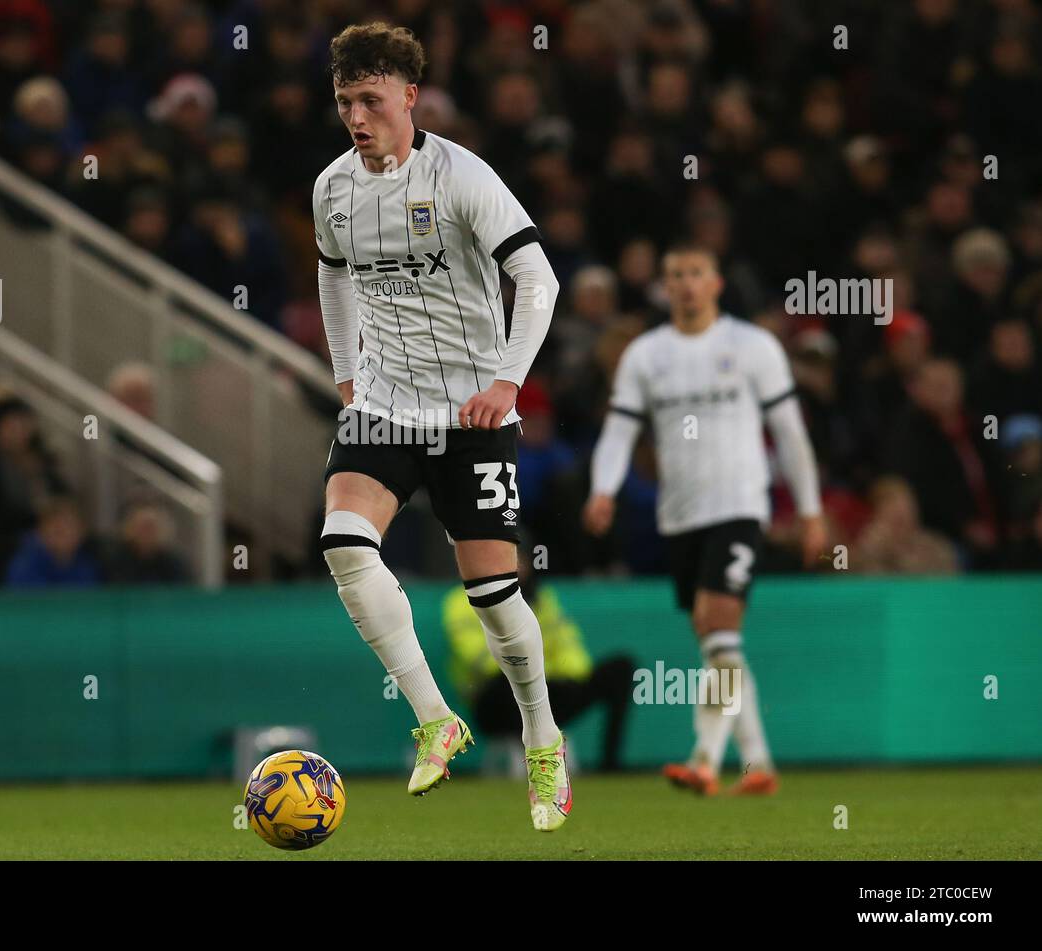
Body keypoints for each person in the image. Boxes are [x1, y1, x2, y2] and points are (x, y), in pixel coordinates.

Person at [313, 24, 569, 830]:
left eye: (372, 99)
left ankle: (541, 735)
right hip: (385, 406)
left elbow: (538, 277)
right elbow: (333, 277)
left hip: (469, 413)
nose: (358, 115)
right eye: (346, 100)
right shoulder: (332, 189)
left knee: (494, 597)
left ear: (410, 96)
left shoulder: (461, 175)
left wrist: (506, 381)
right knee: (344, 545)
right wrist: (347, 375)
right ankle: (434, 718)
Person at [583, 243, 825, 797]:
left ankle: (705, 759)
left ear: (715, 283)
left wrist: (810, 511)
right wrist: (602, 490)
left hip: (739, 504)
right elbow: (619, 431)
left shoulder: (752, 346)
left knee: (717, 624)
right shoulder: (646, 355)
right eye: (676, 276)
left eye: (696, 274)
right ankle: (758, 761)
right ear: (665, 288)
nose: (687, 284)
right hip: (680, 515)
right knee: (718, 642)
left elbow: (790, 432)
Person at [442, 545, 635, 772]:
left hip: (546, 685)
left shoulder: (541, 598)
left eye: (518, 557)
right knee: (510, 680)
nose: (516, 564)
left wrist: (560, 675)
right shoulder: (459, 601)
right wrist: (529, 667)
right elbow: (478, 658)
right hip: (493, 700)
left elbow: (570, 648)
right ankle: (535, 758)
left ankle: (610, 766)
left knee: (622, 667)